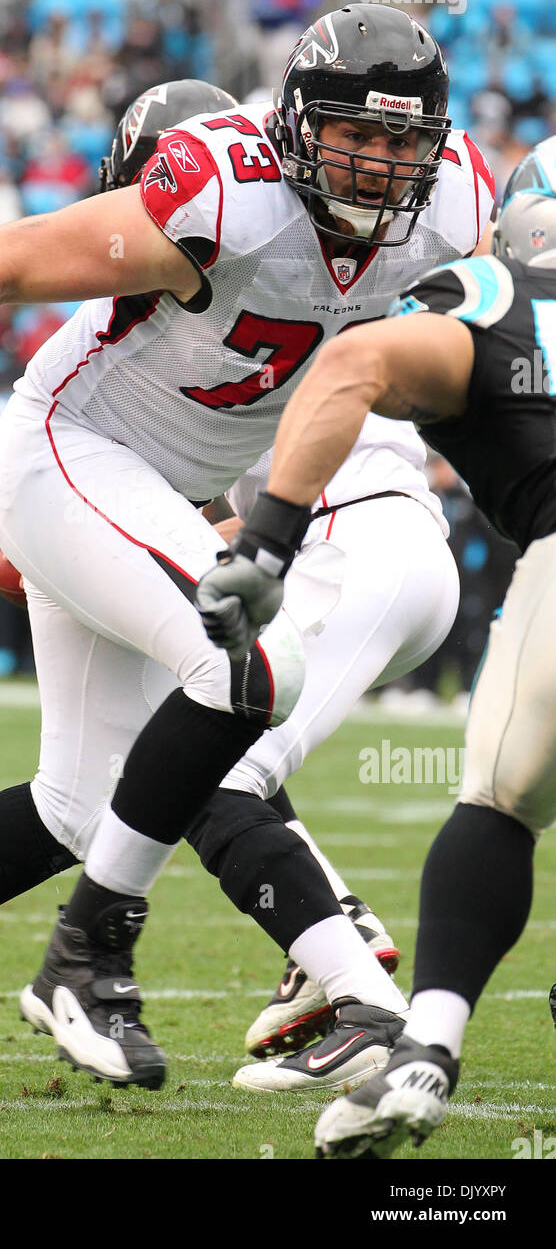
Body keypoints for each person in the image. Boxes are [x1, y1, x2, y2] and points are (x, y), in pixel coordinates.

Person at [0, 8, 493, 1103]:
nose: (383, 162)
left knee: (82, 807)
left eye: (407, 142)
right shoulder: (229, 191)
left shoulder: (454, 204)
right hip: (71, 450)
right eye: (357, 132)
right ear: (296, 124)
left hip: (154, 483)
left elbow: (256, 406)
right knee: (254, 672)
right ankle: (90, 951)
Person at [195, 135, 556, 1156]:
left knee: (496, 807)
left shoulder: (486, 291)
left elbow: (353, 361)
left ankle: (422, 1043)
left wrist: (267, 538)